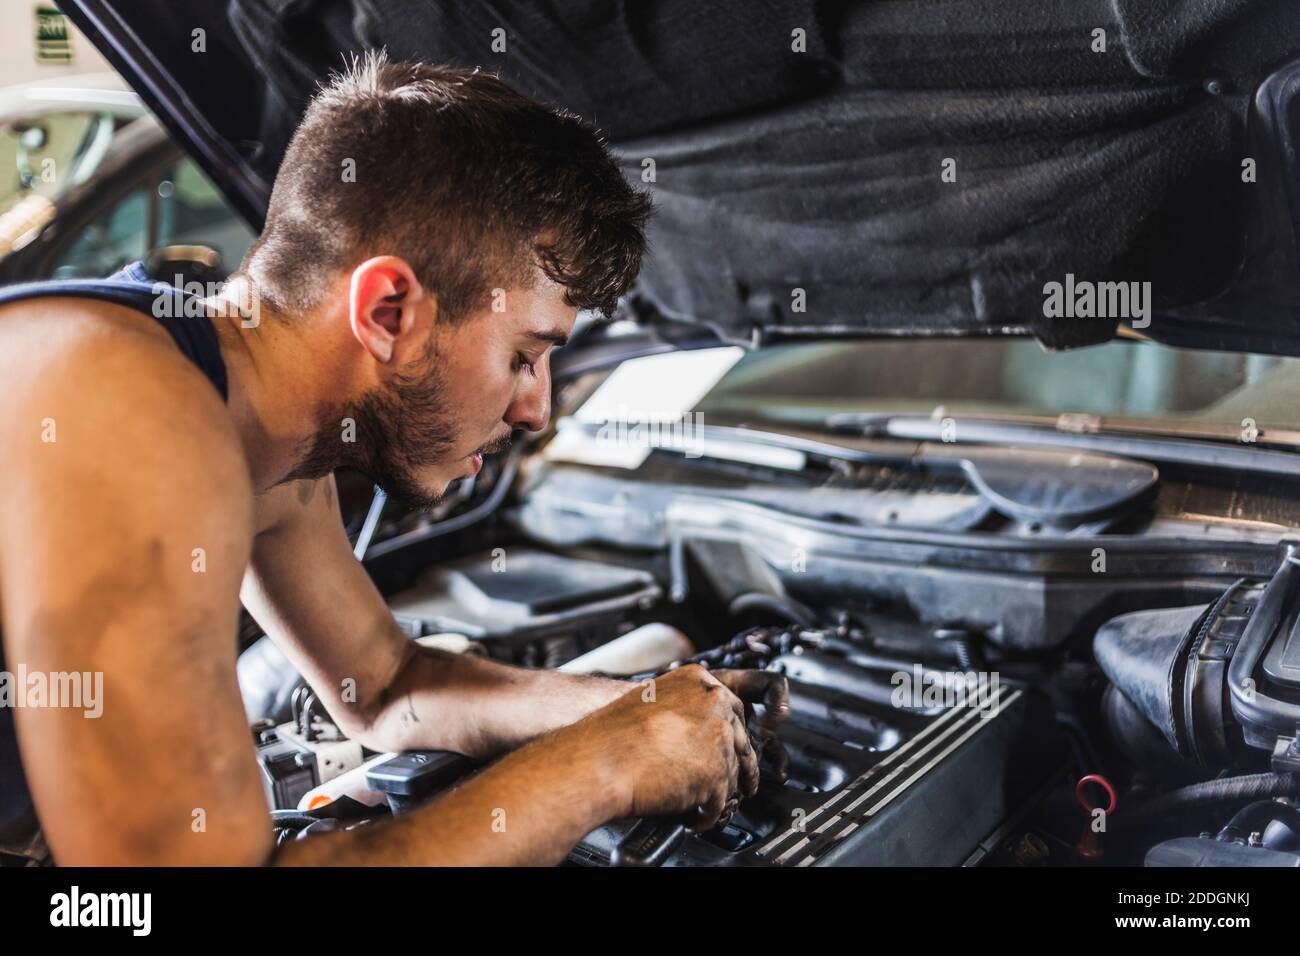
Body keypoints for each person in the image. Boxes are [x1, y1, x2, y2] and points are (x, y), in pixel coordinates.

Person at [0, 52, 787, 866]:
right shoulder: (125, 413)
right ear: (386, 310)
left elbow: (385, 687)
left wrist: (638, 710)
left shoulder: (266, 440)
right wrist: (606, 765)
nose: (537, 408)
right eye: (525, 355)